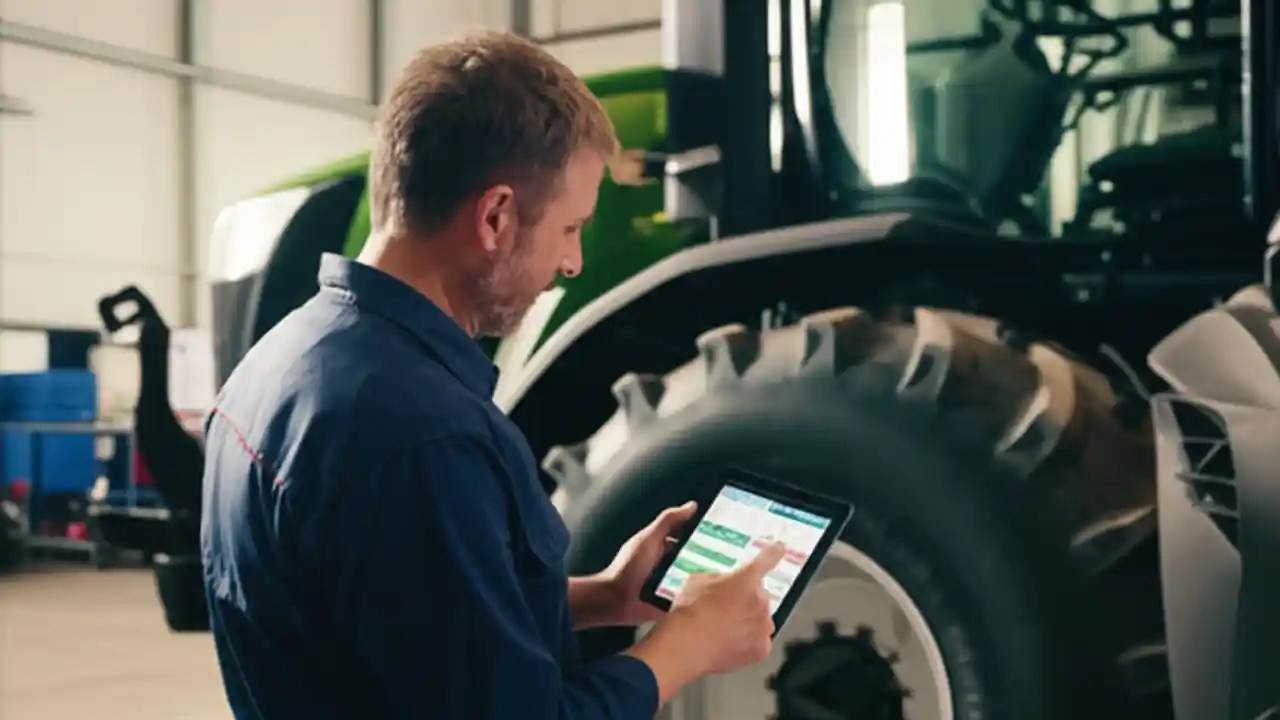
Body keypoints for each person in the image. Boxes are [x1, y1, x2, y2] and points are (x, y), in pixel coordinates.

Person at [200, 30, 784, 719]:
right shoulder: (424, 437)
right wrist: (684, 647)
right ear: (497, 217)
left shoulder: (275, 366)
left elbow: (403, 628)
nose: (571, 263)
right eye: (571, 230)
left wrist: (605, 595)